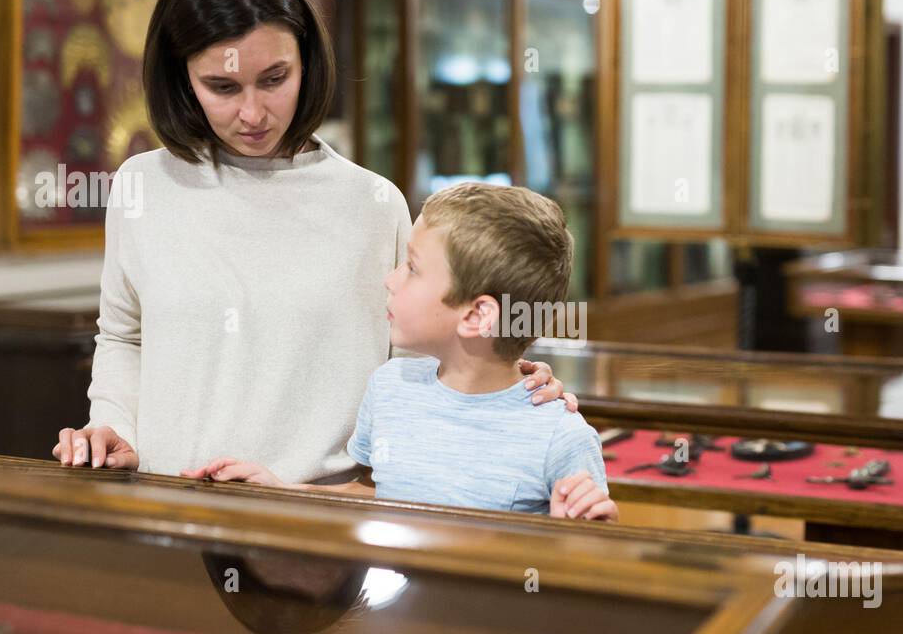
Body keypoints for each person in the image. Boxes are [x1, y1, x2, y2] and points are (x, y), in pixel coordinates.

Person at [51, 0, 574, 485]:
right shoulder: (142, 187)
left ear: (308, 61)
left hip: (323, 520)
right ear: (181, 77)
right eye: (222, 87)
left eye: (275, 79)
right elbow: (123, 336)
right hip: (167, 511)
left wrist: (510, 390)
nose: (253, 113)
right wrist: (113, 424)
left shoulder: (372, 203)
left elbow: (426, 370)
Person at [194, 183, 617, 521]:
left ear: (476, 316)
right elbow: (372, 495)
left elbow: (589, 559)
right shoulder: (389, 387)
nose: (391, 280)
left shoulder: (563, 438)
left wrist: (575, 532)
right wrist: (281, 490)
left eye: (412, 268)